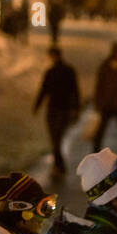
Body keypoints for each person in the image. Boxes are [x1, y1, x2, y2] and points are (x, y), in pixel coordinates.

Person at [33, 46, 80, 176]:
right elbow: (44, 90)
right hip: (56, 108)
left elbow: (74, 90)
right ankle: (59, 165)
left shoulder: (60, 71)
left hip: (59, 108)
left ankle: (58, 165)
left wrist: (75, 107)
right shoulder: (57, 71)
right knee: (55, 138)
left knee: (56, 138)